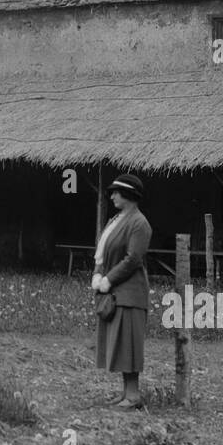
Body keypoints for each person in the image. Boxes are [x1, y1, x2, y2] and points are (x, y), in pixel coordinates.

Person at [91, 173, 151, 409]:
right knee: (120, 343)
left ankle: (133, 396)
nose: (112, 196)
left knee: (129, 344)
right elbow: (102, 252)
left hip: (130, 293)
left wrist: (109, 279)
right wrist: (97, 273)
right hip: (115, 292)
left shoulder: (139, 223)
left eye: (116, 192)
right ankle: (126, 392)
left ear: (128, 194)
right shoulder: (115, 220)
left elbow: (133, 259)